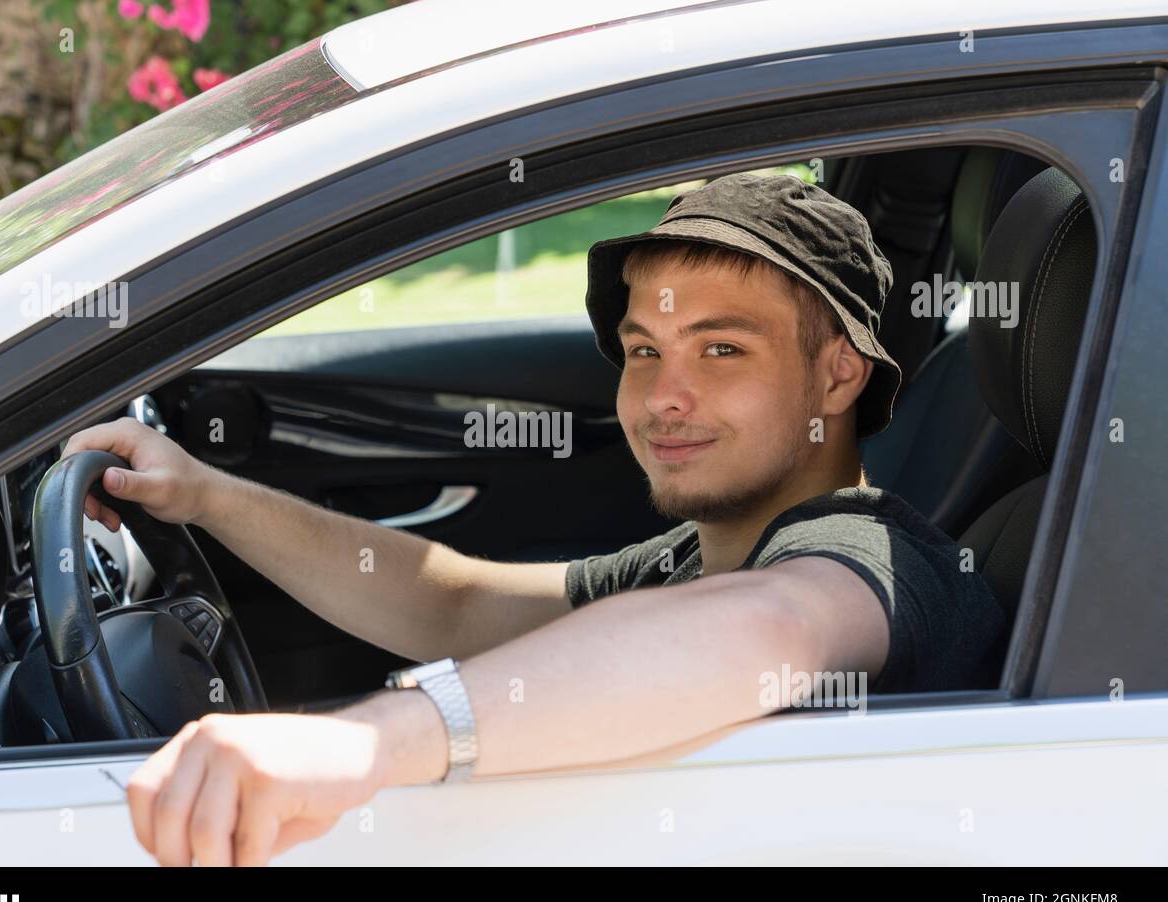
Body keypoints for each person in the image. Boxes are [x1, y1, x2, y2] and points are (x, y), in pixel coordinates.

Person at [63, 171, 1006, 866]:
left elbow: (770, 628)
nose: (664, 396)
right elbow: (456, 605)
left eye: (721, 349)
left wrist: (366, 745)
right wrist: (202, 494)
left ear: (838, 372)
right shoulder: (698, 555)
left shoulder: (870, 551)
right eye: (644, 350)